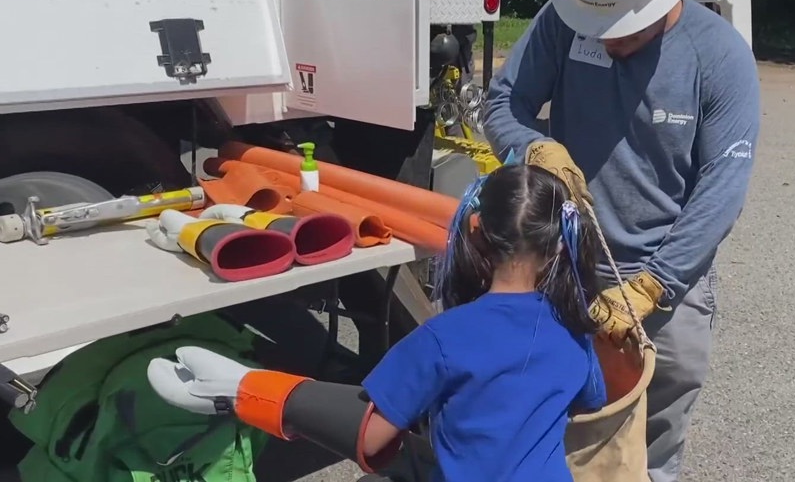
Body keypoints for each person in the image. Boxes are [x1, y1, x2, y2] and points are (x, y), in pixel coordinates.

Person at [482, 0, 761, 482]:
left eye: (624, 26)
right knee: (544, 421)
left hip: (666, 284)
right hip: (560, 265)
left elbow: (722, 188)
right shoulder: (564, 22)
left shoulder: (721, 60)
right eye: (596, 22)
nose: (607, 37)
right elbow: (503, 102)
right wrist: (532, 145)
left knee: (652, 440)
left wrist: (653, 284)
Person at [145, 163, 610, 481]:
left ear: (474, 231)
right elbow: (590, 399)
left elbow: (371, 435)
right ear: (557, 243)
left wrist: (249, 391)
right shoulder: (573, 327)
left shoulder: (443, 339)